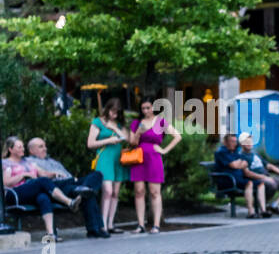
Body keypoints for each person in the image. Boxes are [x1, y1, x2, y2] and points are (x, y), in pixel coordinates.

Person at [3, 136, 94, 241]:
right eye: (19, 147)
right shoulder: (6, 163)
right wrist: (23, 175)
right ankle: (69, 202)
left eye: (23, 147)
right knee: (42, 181)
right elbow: (6, 182)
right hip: (14, 194)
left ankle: (51, 235)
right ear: (10, 149)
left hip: (30, 192)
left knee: (43, 197)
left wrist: (54, 174)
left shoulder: (28, 162)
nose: (23, 149)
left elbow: (44, 174)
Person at [26, 137, 108, 237]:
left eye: (45, 146)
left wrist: (75, 180)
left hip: (71, 183)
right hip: (56, 187)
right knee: (88, 194)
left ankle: (84, 189)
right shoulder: (28, 162)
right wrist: (54, 174)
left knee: (97, 175)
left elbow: (68, 175)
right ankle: (95, 229)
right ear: (31, 150)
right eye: (41, 147)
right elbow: (40, 177)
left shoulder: (53, 161)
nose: (45, 149)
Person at [129, 97, 183, 234]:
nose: (146, 111)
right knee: (139, 191)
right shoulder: (137, 123)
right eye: (143, 108)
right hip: (138, 158)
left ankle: (156, 224)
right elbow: (132, 143)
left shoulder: (160, 122)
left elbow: (177, 136)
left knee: (154, 191)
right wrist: (138, 133)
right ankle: (140, 225)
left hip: (154, 158)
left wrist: (164, 150)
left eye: (148, 107)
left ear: (154, 107)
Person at [88, 98, 130, 233]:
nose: (114, 115)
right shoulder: (98, 122)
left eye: (117, 112)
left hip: (117, 160)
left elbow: (128, 139)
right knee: (108, 191)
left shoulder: (119, 124)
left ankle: (110, 224)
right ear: (107, 109)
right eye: (112, 111)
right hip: (104, 159)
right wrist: (108, 140)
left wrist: (113, 128)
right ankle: (103, 224)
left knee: (116, 193)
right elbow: (90, 144)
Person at [214, 132, 268, 219]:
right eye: (232, 141)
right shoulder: (221, 152)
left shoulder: (235, 152)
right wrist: (239, 164)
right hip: (227, 180)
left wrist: (238, 164)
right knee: (249, 183)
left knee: (260, 183)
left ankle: (263, 210)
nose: (234, 144)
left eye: (235, 141)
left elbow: (245, 163)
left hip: (239, 178)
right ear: (226, 142)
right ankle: (251, 212)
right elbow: (234, 165)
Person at [238, 133, 279, 216]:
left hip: (267, 178)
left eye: (250, 141)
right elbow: (247, 173)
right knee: (272, 185)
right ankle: (260, 206)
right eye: (246, 141)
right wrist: (264, 177)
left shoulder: (255, 154)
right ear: (241, 144)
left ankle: (273, 206)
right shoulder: (241, 156)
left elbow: (269, 166)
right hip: (256, 180)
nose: (249, 143)